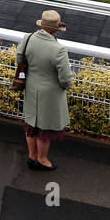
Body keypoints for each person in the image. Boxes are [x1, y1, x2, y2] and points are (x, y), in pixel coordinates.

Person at [18, 11, 72, 171]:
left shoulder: (28, 38)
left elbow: (19, 58)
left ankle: (32, 156)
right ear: (55, 29)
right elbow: (65, 79)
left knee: (31, 125)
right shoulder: (58, 49)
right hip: (50, 94)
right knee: (44, 129)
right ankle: (42, 159)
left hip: (31, 87)